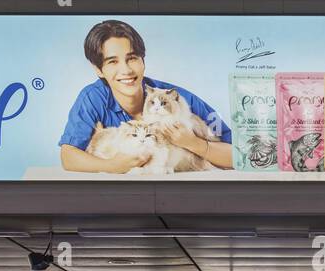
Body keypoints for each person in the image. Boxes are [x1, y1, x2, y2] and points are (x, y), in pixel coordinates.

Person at [58, 19, 232, 173]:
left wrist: (193, 143)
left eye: (132, 58)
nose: (126, 70)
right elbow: (68, 156)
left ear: (143, 61)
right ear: (98, 70)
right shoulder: (92, 99)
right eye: (113, 61)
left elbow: (238, 154)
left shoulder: (178, 99)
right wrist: (112, 166)